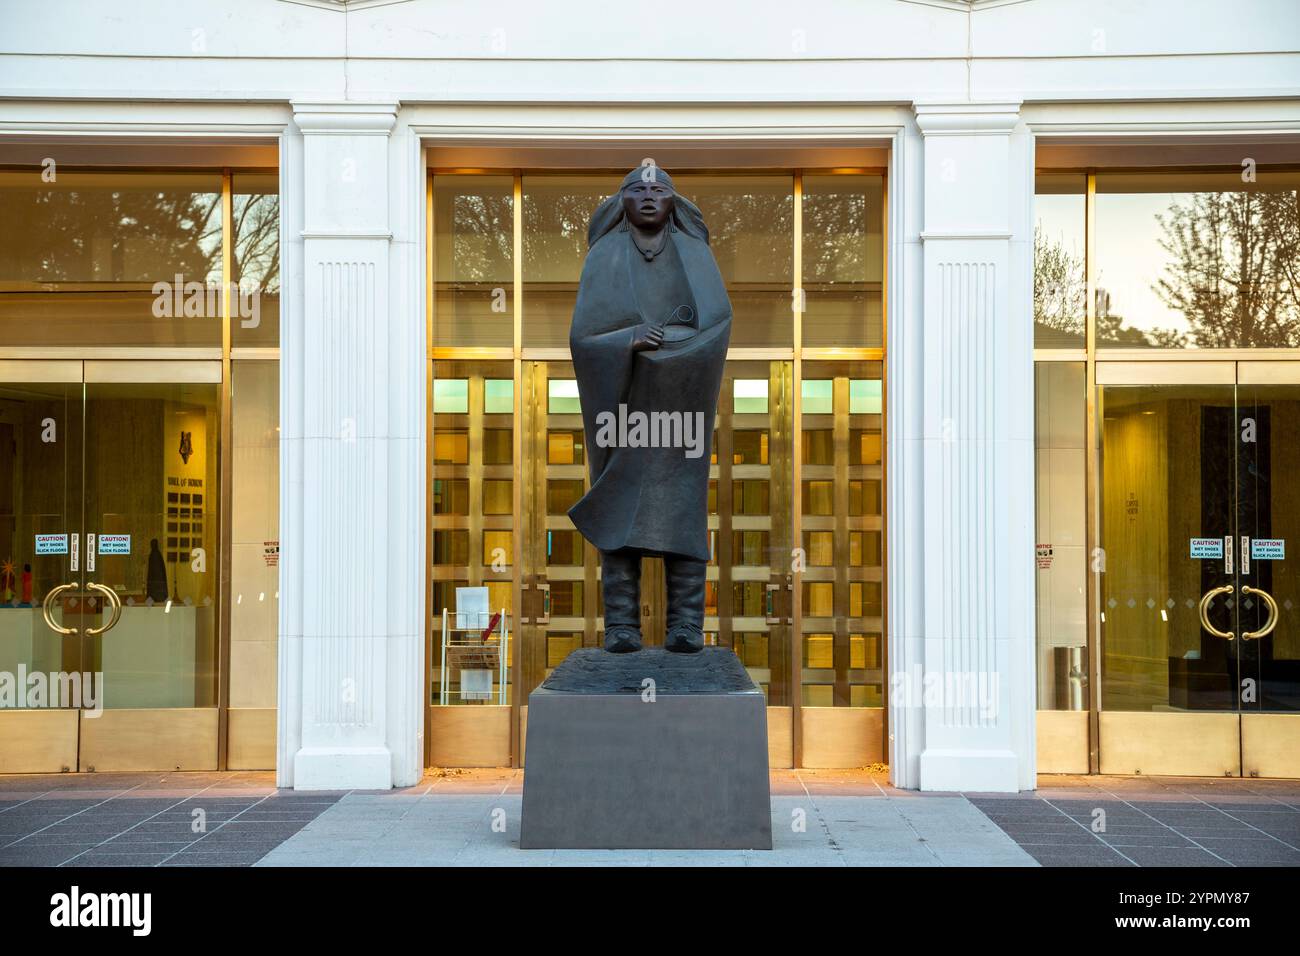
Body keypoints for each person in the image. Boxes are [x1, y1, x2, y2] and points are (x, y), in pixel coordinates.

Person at [568, 165, 732, 653]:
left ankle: (686, 624)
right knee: (619, 510)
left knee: (681, 511)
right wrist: (629, 340)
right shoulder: (605, 256)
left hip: (679, 411)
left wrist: (676, 349)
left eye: (658, 190)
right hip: (622, 411)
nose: (647, 197)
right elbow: (583, 338)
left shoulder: (695, 253)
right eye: (637, 190)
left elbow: (718, 323)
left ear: (672, 202)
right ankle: (621, 624)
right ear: (621, 201)